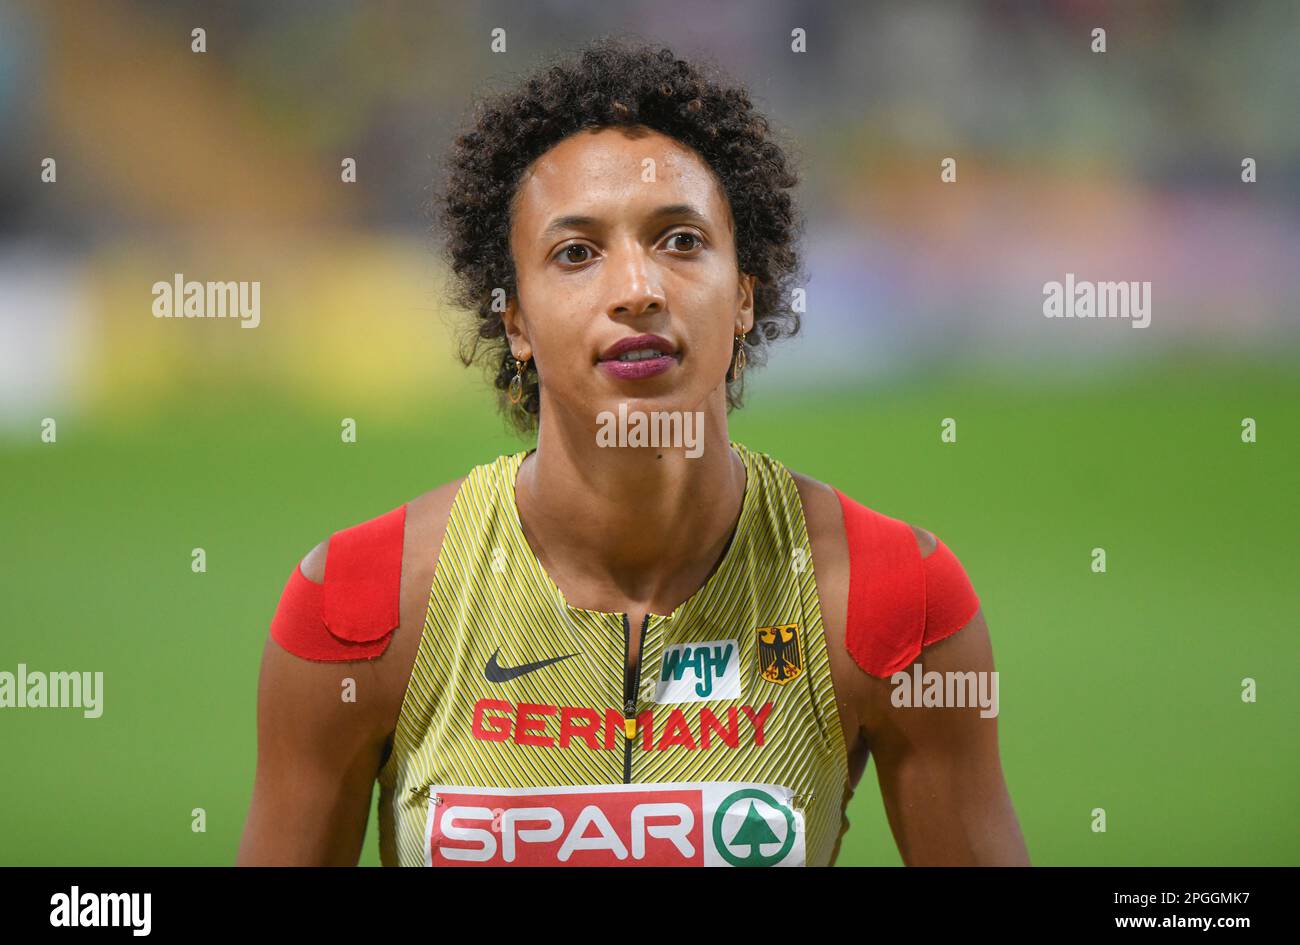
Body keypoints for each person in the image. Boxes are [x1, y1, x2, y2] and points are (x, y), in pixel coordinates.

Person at [237, 37, 1029, 867]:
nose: (638, 290)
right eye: (576, 254)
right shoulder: (359, 611)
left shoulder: (892, 600)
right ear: (516, 322)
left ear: (745, 296)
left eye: (681, 241)